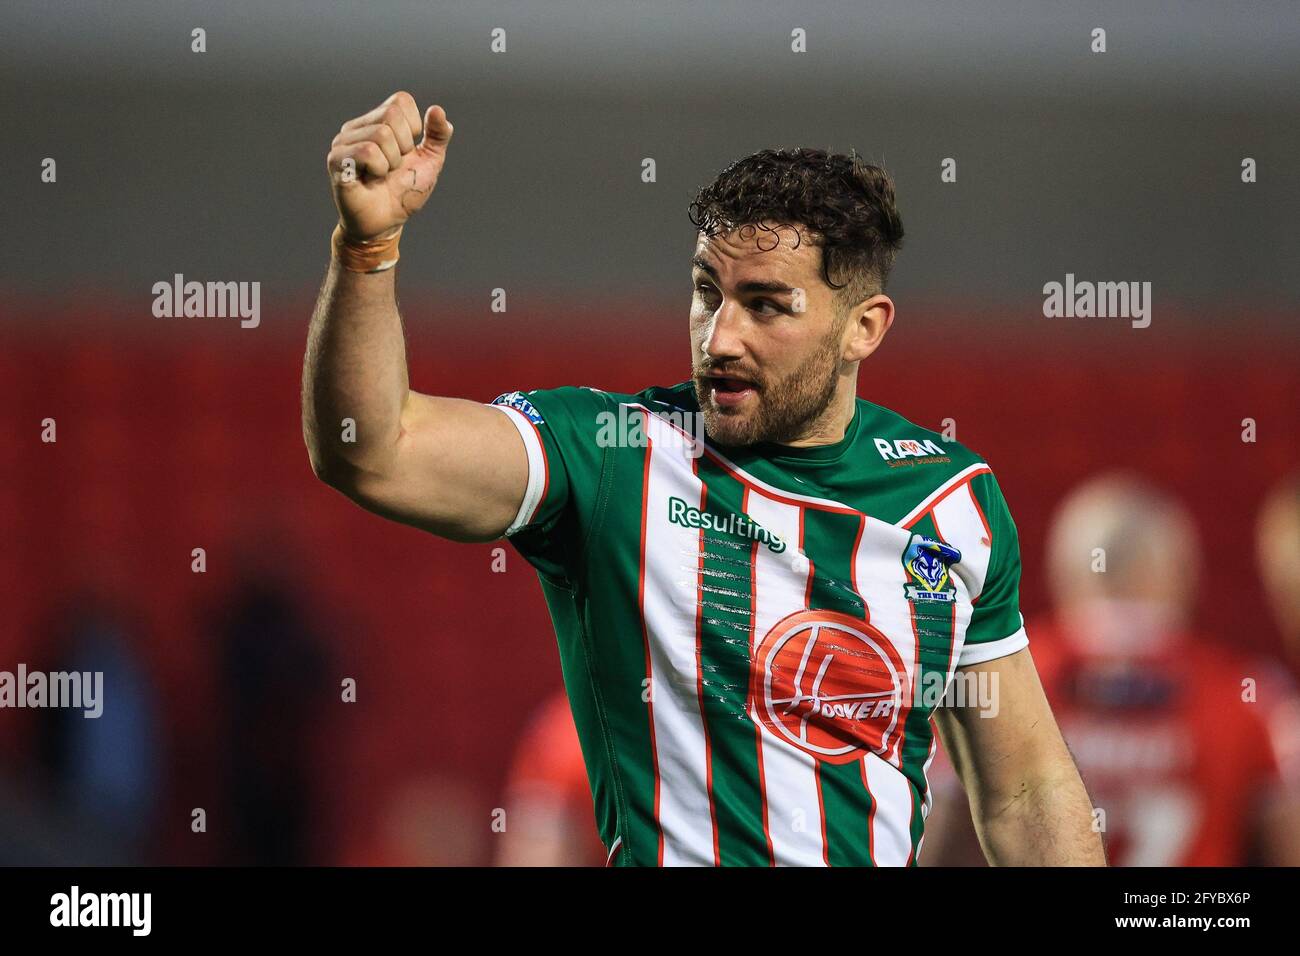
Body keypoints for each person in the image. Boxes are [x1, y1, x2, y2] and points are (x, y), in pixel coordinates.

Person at [301, 91, 1104, 866]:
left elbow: (1024, 790)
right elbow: (371, 449)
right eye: (706, 293)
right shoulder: (613, 456)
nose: (720, 337)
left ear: (863, 328)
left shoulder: (952, 501)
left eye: (765, 305)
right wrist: (366, 250)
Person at [924, 473, 1300, 866]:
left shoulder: (995, 678)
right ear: (1181, 572)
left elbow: (938, 838)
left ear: (1064, 570)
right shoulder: (1252, 696)